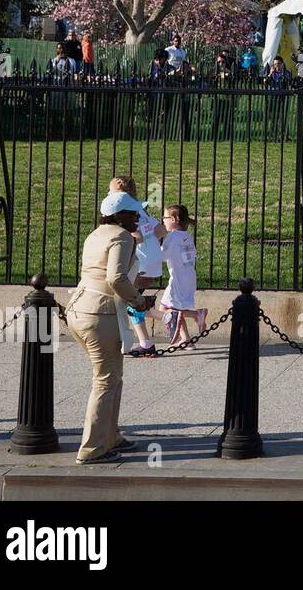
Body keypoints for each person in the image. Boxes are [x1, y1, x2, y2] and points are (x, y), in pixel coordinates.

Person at [63, 190, 158, 464]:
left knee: (113, 375)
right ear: (118, 216)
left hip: (80, 308)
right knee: (105, 379)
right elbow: (116, 277)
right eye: (132, 213)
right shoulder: (122, 236)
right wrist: (139, 301)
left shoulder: (95, 234)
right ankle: (92, 449)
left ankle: (111, 436)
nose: (138, 217)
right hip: (100, 313)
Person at [108, 177, 164, 358]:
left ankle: (163, 323)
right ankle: (147, 338)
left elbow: (136, 236)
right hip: (153, 259)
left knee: (131, 301)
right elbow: (161, 231)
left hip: (140, 262)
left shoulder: (124, 211)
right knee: (131, 300)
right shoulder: (141, 209)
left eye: (110, 191)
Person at [158, 205, 205, 344]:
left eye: (165, 218)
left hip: (177, 279)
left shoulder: (172, 238)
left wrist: (153, 241)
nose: (163, 221)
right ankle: (186, 340)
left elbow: (161, 256)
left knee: (165, 308)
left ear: (173, 219)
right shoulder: (187, 236)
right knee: (176, 309)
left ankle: (197, 315)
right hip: (189, 276)